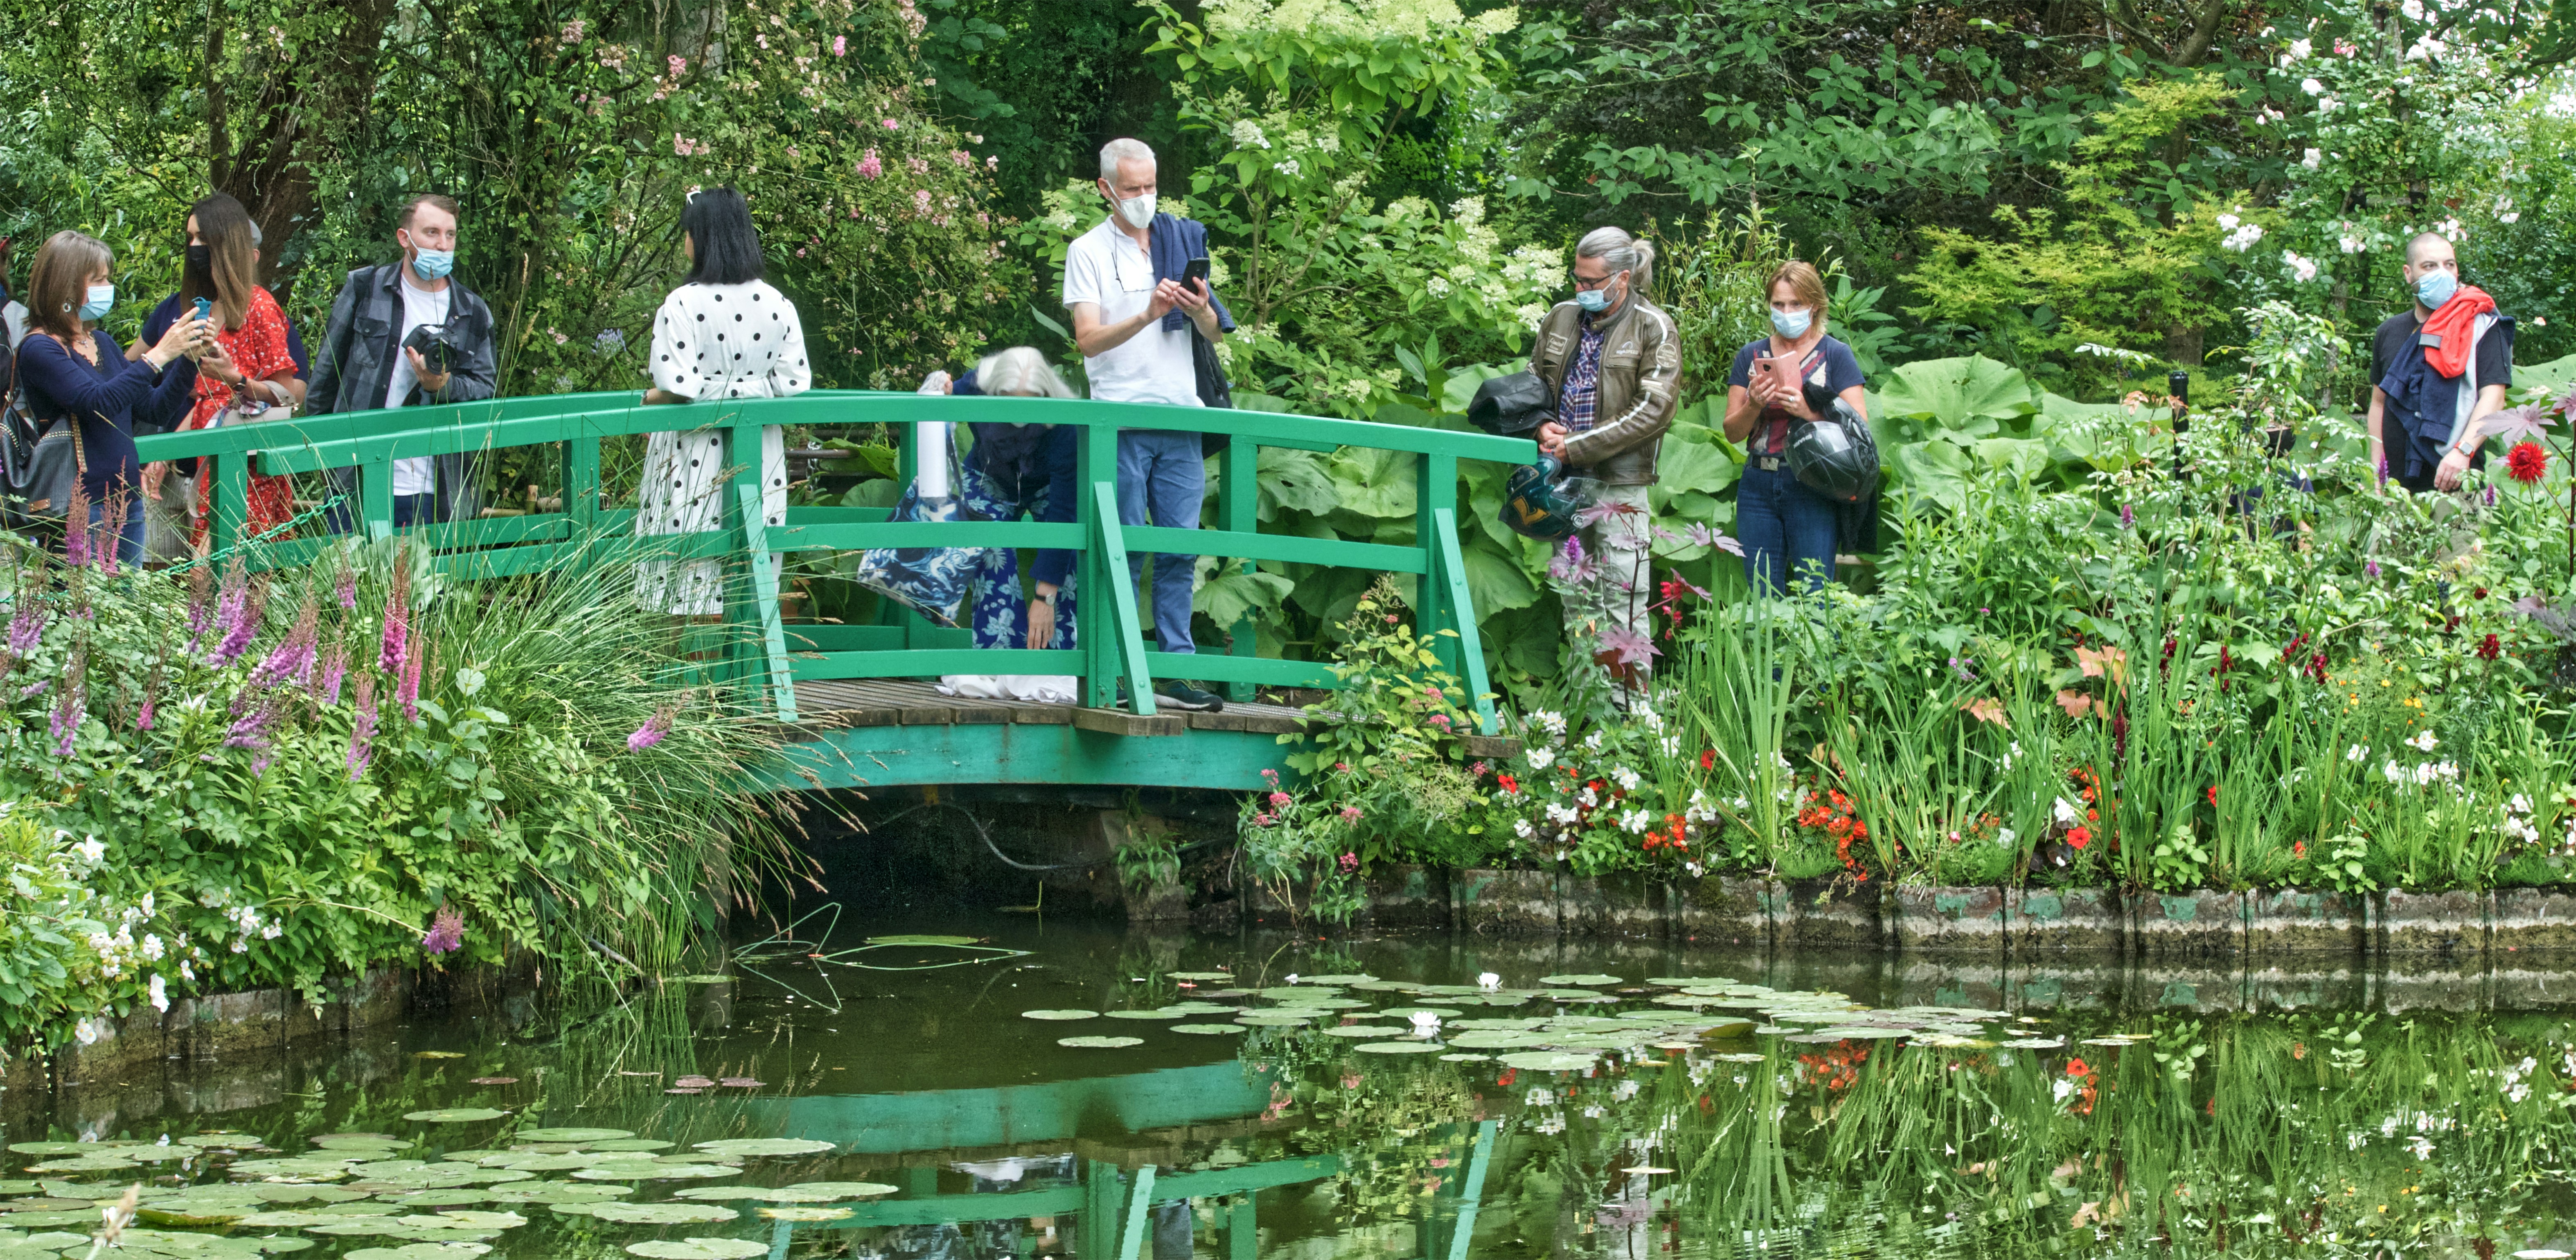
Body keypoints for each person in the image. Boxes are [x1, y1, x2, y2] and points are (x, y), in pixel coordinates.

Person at [1062, 137, 1231, 713]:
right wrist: (1146, 314)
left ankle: (1174, 670)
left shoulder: (1180, 239)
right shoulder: (1086, 250)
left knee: (1179, 550)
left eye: (1151, 186)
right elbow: (1086, 339)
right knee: (1123, 551)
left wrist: (1198, 307)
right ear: (1106, 189)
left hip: (1181, 414)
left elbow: (1212, 333)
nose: (1143, 198)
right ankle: (1112, 667)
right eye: (1132, 189)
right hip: (1120, 420)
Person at [638, 186, 809, 616]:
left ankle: (683, 679)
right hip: (758, 449)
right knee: (747, 558)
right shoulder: (778, 304)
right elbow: (793, 382)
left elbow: (679, 385)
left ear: (701, 237)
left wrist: (645, 397)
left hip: (691, 447)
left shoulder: (682, 302)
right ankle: (741, 673)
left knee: (684, 558)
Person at [1530, 227, 1684, 668]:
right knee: (1576, 602)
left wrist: (1574, 446)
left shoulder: (1653, 326)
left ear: (1621, 278)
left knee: (1623, 603)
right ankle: (1586, 718)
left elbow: (1653, 411)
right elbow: (1532, 381)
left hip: (1620, 485)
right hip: (1562, 486)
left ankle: (1633, 720)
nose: (1579, 289)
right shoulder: (1560, 316)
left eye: (1590, 282)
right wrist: (1540, 425)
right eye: (1575, 278)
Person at [12, 231, 213, 562]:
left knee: (125, 606)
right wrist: (159, 354)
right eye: (99, 279)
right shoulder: (40, 348)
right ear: (67, 285)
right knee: (80, 611)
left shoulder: (102, 342)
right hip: (78, 506)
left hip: (127, 500)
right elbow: (97, 403)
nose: (108, 287)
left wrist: (189, 360)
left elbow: (155, 409)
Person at [308, 193, 499, 528]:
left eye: (450, 235)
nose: (442, 245)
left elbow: (486, 393)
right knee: (347, 581)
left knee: (425, 582)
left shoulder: (472, 312)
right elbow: (324, 381)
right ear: (404, 238)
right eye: (431, 233)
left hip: (436, 488)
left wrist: (442, 386)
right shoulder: (365, 289)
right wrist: (328, 461)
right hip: (356, 480)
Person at [128, 194, 304, 551]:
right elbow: (212, 400)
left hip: (249, 467)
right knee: (198, 585)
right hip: (209, 462)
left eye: (204, 240)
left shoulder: (260, 305)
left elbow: (288, 394)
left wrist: (237, 378)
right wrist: (167, 452)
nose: (194, 247)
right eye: (190, 238)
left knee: (225, 586)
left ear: (227, 245)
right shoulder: (203, 308)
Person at [918, 347, 1082, 702]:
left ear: (1045, 395)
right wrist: (940, 387)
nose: (1020, 417)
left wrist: (1045, 595)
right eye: (1009, 402)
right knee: (991, 550)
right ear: (995, 392)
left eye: (1031, 404)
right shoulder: (975, 386)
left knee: (1066, 564)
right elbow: (940, 400)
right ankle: (997, 660)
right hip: (988, 474)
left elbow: (1064, 513)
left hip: (1044, 485)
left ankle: (1058, 665)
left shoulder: (1065, 424)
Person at [1721, 260, 1868, 596]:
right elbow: (1732, 432)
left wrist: (1807, 411)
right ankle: (1767, 651)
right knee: (1762, 592)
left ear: (1814, 306)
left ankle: (1815, 651)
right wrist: (1755, 404)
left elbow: (1859, 430)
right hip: (1757, 483)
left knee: (1815, 592)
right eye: (1779, 304)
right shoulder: (1751, 355)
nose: (1786, 312)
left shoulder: (1836, 354)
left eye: (1796, 304)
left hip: (1812, 484)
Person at [2369, 232, 2513, 494]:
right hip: (2394, 488)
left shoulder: (2483, 326)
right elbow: (2379, 404)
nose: (2443, 274)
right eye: (2430, 266)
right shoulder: (2389, 331)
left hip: (2457, 481)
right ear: (2408, 273)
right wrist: (2375, 471)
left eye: (2449, 265)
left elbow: (2494, 397)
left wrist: (2464, 451)